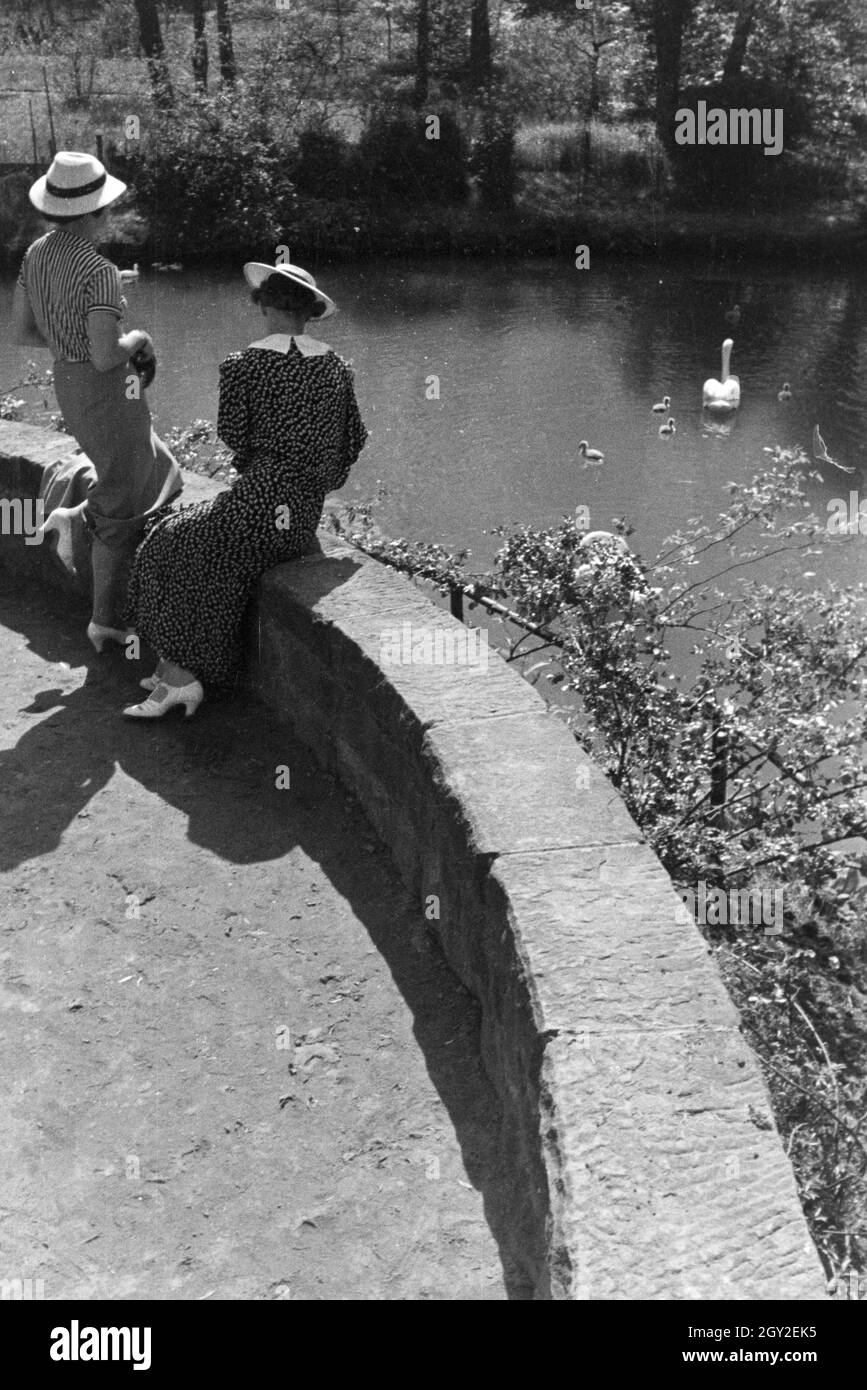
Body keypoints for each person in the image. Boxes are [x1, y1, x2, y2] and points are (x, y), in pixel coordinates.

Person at [122, 261, 368, 720]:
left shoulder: (244, 364)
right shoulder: (337, 367)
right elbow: (354, 439)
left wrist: (268, 470)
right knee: (188, 541)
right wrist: (312, 480)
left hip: (258, 500)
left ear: (265, 305)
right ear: (308, 313)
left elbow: (235, 434)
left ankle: (181, 677)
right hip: (300, 514)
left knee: (171, 542)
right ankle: (175, 668)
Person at [12, 151, 182, 650]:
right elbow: (110, 357)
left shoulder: (34, 254)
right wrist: (139, 338)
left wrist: (71, 345)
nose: (111, 216)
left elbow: (21, 333)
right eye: (107, 208)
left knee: (159, 464)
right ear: (94, 213)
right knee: (124, 503)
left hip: (70, 385)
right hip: (109, 391)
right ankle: (104, 618)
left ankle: (72, 516)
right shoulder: (100, 270)